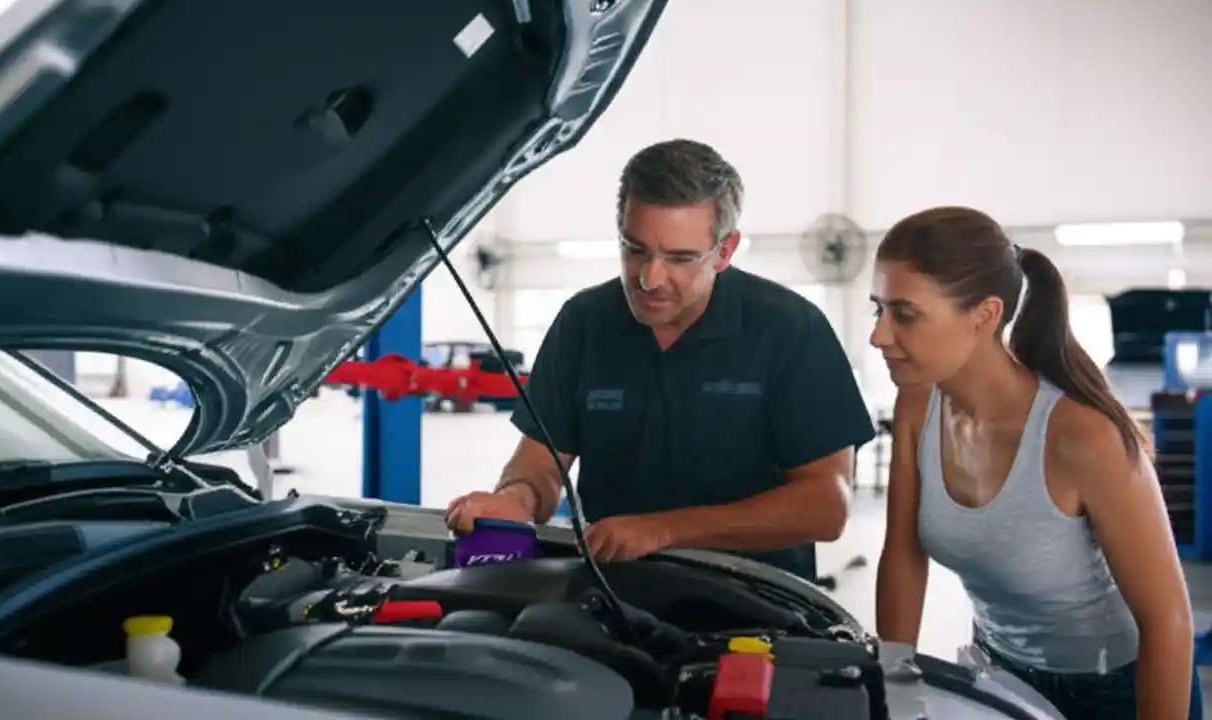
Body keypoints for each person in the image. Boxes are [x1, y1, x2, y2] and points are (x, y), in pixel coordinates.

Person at [446, 138, 876, 581]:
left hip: (758, 603)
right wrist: (515, 501)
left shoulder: (790, 329)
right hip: (610, 593)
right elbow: (538, 465)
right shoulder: (583, 323)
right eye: (636, 250)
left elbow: (826, 506)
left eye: (679, 258)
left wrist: (665, 530)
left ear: (725, 251)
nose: (650, 279)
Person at [870, 206, 1200, 719]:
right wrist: (891, 686)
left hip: (1118, 688)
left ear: (984, 315)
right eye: (878, 310)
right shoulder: (917, 404)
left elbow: (1169, 620)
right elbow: (904, 556)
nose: (880, 336)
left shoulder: (1083, 437)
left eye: (904, 314)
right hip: (999, 673)